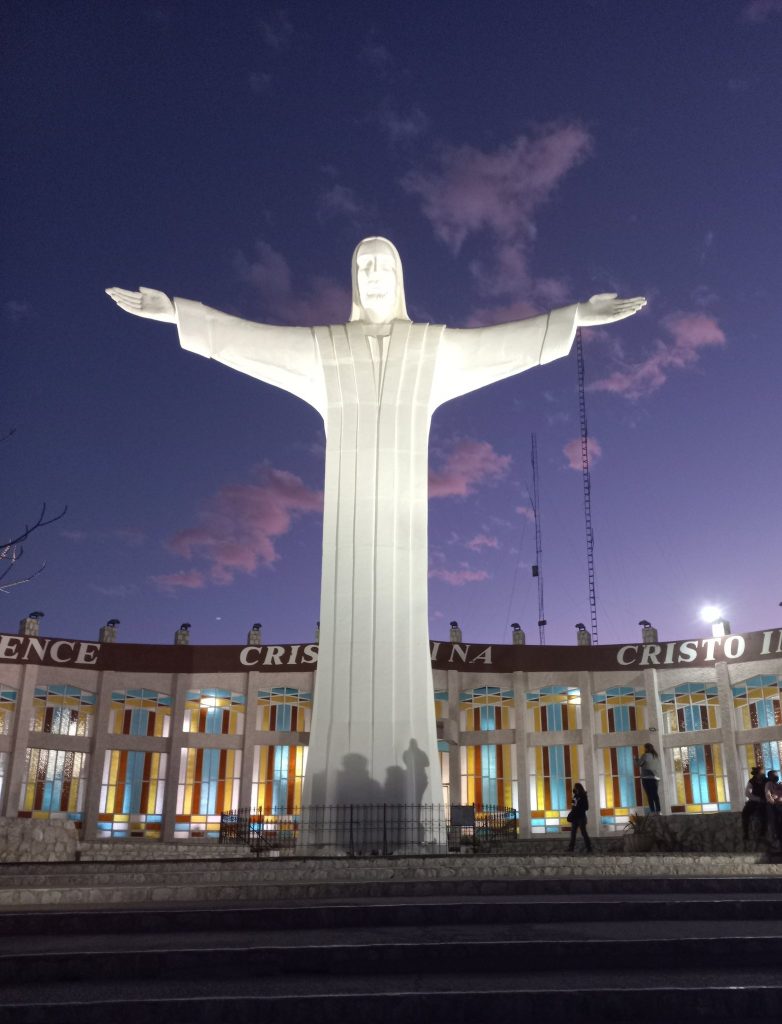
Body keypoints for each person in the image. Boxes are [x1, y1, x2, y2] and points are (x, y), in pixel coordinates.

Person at [107, 238, 646, 809]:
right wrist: (177, 314)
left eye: (382, 264)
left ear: (401, 275)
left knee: (398, 648)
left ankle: (407, 817)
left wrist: (574, 318)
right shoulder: (325, 348)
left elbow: (500, 345)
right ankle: (337, 815)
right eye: (362, 265)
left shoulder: (431, 349)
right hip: (346, 540)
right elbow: (247, 339)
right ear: (352, 279)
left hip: (403, 547)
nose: (372, 274)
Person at [741, 766, 767, 844]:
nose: (761, 775)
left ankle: (762, 833)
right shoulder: (751, 781)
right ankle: (746, 833)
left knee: (765, 814)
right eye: (759, 773)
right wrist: (758, 799)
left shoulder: (766, 781)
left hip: (765, 801)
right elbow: (747, 793)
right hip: (754, 801)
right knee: (745, 813)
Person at [637, 742, 662, 814]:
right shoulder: (656, 756)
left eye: (644, 748)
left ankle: (653, 811)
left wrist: (635, 759)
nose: (644, 749)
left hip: (646, 777)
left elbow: (639, 764)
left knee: (649, 795)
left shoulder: (645, 755)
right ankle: (658, 811)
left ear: (646, 748)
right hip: (655, 778)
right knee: (655, 795)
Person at [568, 782, 592, 853]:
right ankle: (571, 848)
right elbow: (573, 806)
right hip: (575, 818)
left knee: (584, 832)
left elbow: (586, 807)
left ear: (578, 788)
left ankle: (589, 848)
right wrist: (574, 798)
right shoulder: (575, 796)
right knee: (573, 833)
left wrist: (578, 805)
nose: (574, 789)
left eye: (575, 787)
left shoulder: (583, 796)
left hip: (581, 817)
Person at [765, 770, 782, 847]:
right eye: (774, 775)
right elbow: (768, 796)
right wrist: (775, 803)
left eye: (777, 775)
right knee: (774, 822)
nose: (776, 777)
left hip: (779, 805)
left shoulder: (778, 784)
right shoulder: (768, 784)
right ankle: (775, 839)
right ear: (770, 777)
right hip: (773, 806)